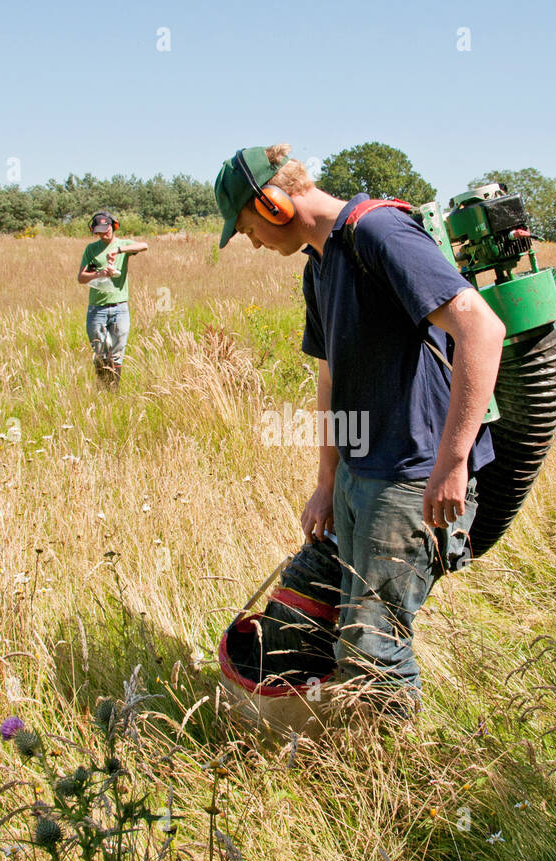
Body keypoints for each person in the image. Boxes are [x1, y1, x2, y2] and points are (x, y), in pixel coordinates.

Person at [213, 144, 506, 718]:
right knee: (303, 612)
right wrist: (326, 481)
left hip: (408, 475)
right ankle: (333, 754)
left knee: (374, 653)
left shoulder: (378, 232)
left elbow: (482, 329)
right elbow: (330, 379)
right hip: (355, 475)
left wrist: (450, 465)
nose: (253, 243)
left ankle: (394, 792)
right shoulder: (320, 264)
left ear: (273, 204)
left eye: (248, 229)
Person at [77, 211, 148, 389]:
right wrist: (100, 273)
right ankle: (102, 388)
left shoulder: (123, 245)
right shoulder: (91, 249)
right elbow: (81, 277)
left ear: (113, 226)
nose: (104, 233)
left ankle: (113, 391)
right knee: (100, 352)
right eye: (100, 230)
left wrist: (118, 250)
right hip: (97, 309)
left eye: (107, 228)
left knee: (116, 352)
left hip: (119, 307)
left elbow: (144, 246)